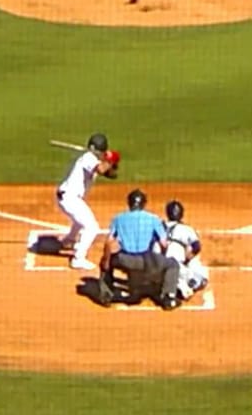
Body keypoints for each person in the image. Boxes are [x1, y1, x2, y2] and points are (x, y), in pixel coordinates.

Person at [99, 188, 180, 309]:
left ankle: (106, 296)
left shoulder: (118, 219)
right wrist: (158, 262)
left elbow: (109, 243)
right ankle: (169, 297)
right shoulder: (153, 219)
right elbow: (164, 244)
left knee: (105, 263)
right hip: (146, 260)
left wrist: (105, 261)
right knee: (173, 264)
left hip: (125, 259)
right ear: (144, 203)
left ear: (129, 203)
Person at [54, 132, 119, 270]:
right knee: (92, 227)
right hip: (69, 198)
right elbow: (101, 169)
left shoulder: (92, 159)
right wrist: (109, 159)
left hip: (68, 197)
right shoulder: (89, 158)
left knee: (80, 221)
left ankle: (69, 240)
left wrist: (112, 162)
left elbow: (112, 175)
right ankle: (78, 259)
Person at [163, 200, 209, 301]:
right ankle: (184, 288)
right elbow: (196, 247)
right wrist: (187, 260)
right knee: (202, 279)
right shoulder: (186, 229)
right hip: (176, 266)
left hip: (158, 264)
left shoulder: (160, 227)